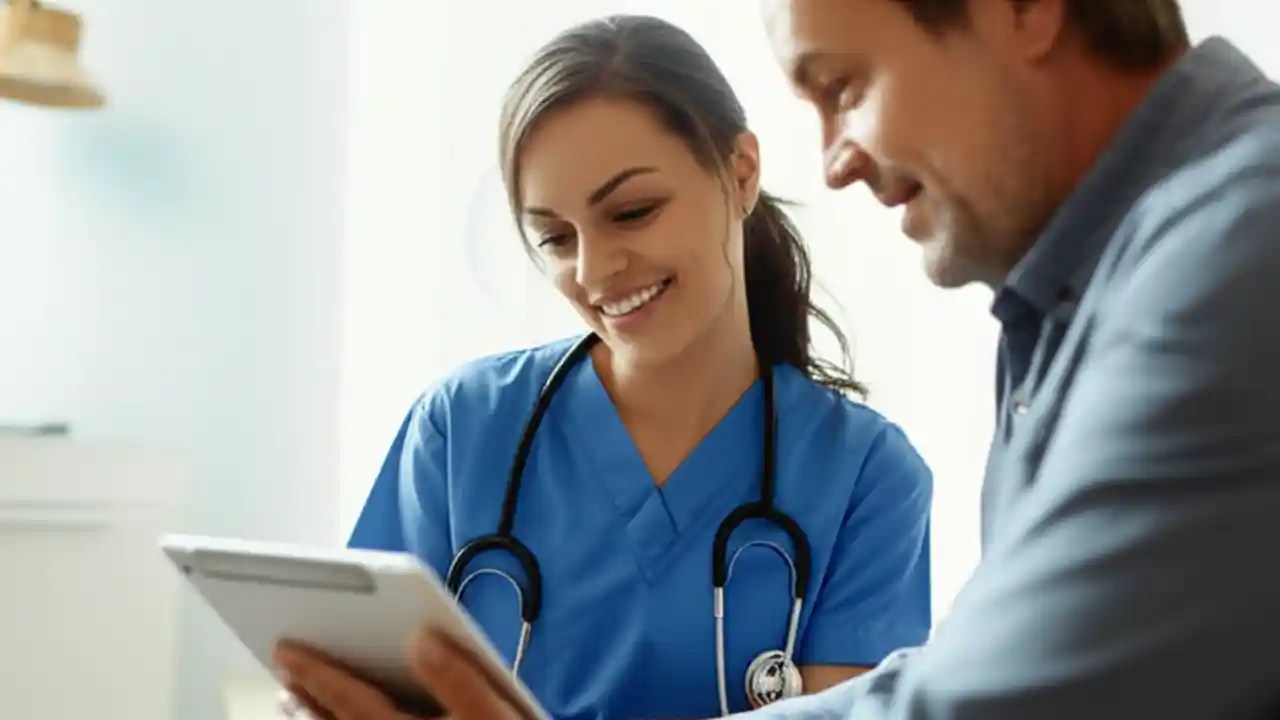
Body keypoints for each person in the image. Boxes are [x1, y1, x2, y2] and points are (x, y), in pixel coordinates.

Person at [390, 0, 1280, 718]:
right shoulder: (1074, 301)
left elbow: (990, 700)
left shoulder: (1240, 256)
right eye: (552, 235)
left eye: (846, 85)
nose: (835, 160)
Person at [271, 13, 935, 720]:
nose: (595, 271)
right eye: (555, 238)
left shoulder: (866, 476)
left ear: (740, 175)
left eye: (633, 211)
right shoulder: (462, 431)